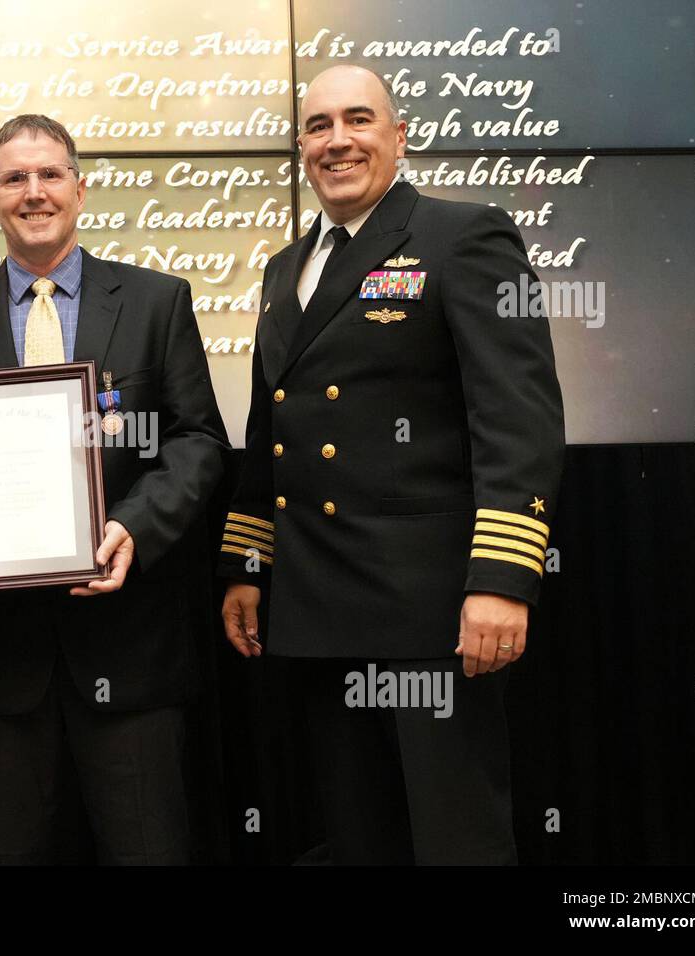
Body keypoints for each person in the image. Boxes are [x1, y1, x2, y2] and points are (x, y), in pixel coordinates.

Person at [219, 65, 565, 864]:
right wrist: (246, 564)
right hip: (317, 603)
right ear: (301, 147)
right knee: (359, 839)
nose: (336, 140)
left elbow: (517, 420)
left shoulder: (463, 235)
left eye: (358, 120)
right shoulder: (284, 270)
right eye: (317, 126)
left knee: (456, 839)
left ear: (398, 136)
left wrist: (502, 582)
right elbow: (274, 427)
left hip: (433, 611)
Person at [0, 114, 228, 865]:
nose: (34, 192)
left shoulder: (157, 303)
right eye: (15, 178)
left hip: (129, 652)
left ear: (80, 188)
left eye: (50, 174)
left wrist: (133, 527)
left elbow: (197, 441)